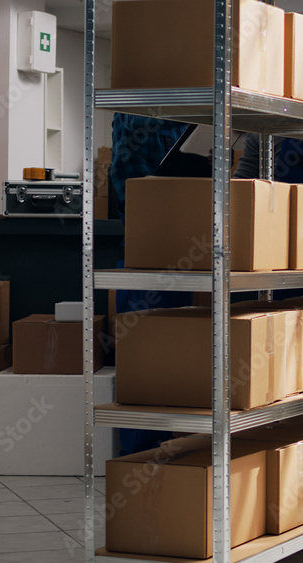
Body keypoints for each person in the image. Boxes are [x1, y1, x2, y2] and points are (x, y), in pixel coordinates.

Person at [108, 113, 192, 456]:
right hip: (152, 248)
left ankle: (173, 453)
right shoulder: (141, 116)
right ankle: (147, 459)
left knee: (174, 362)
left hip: (183, 247)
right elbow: (133, 182)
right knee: (148, 361)